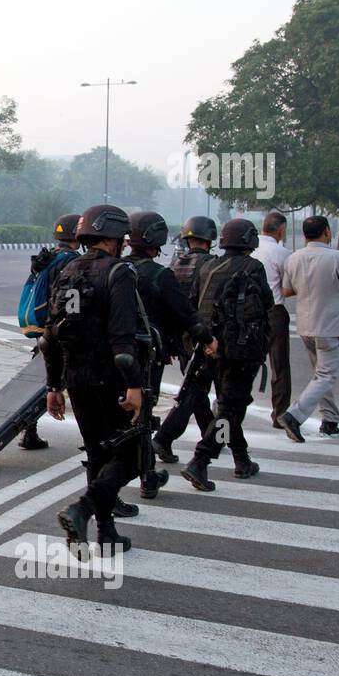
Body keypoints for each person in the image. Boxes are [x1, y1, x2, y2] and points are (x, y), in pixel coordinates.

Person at [42, 204, 142, 555]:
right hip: (109, 378)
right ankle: (81, 509)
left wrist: (54, 386)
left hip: (76, 377)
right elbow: (122, 339)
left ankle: (106, 532)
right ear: (113, 238)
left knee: (98, 453)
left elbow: (50, 336)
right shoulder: (119, 272)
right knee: (130, 456)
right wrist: (134, 385)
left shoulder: (68, 270)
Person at [120, 211, 217, 504]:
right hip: (146, 355)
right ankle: (147, 476)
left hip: (112, 353)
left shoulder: (116, 268)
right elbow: (186, 313)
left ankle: (143, 469)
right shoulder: (160, 275)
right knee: (143, 414)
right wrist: (206, 338)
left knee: (121, 415)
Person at [180, 218, 273, 490]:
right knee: (230, 410)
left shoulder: (208, 266)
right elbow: (266, 304)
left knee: (229, 406)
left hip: (208, 347)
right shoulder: (253, 267)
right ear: (249, 240)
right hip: (240, 350)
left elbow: (192, 304)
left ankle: (242, 460)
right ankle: (201, 459)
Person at [276, 215, 339, 442]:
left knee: (320, 375)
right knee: (326, 375)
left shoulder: (294, 259)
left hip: (305, 326)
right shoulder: (338, 258)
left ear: (305, 235)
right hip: (330, 327)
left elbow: (287, 290)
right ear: (327, 232)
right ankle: (294, 415)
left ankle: (330, 420)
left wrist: (307, 283)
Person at [151, 216, 218, 463]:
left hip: (180, 339)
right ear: (209, 240)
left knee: (195, 390)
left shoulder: (174, 264)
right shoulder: (212, 265)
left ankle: (212, 436)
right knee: (195, 391)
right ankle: (165, 437)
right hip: (202, 335)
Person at [19, 213, 81, 451]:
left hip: (42, 328)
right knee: (62, 381)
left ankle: (29, 431)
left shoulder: (49, 257)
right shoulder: (72, 261)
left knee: (39, 381)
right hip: (59, 329)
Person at [255, 211, 293, 428]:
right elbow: (288, 287)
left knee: (242, 361)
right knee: (279, 364)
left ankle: (226, 405)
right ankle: (280, 413)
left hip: (248, 312)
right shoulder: (282, 253)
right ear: (281, 230)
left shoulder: (250, 247)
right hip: (274, 311)